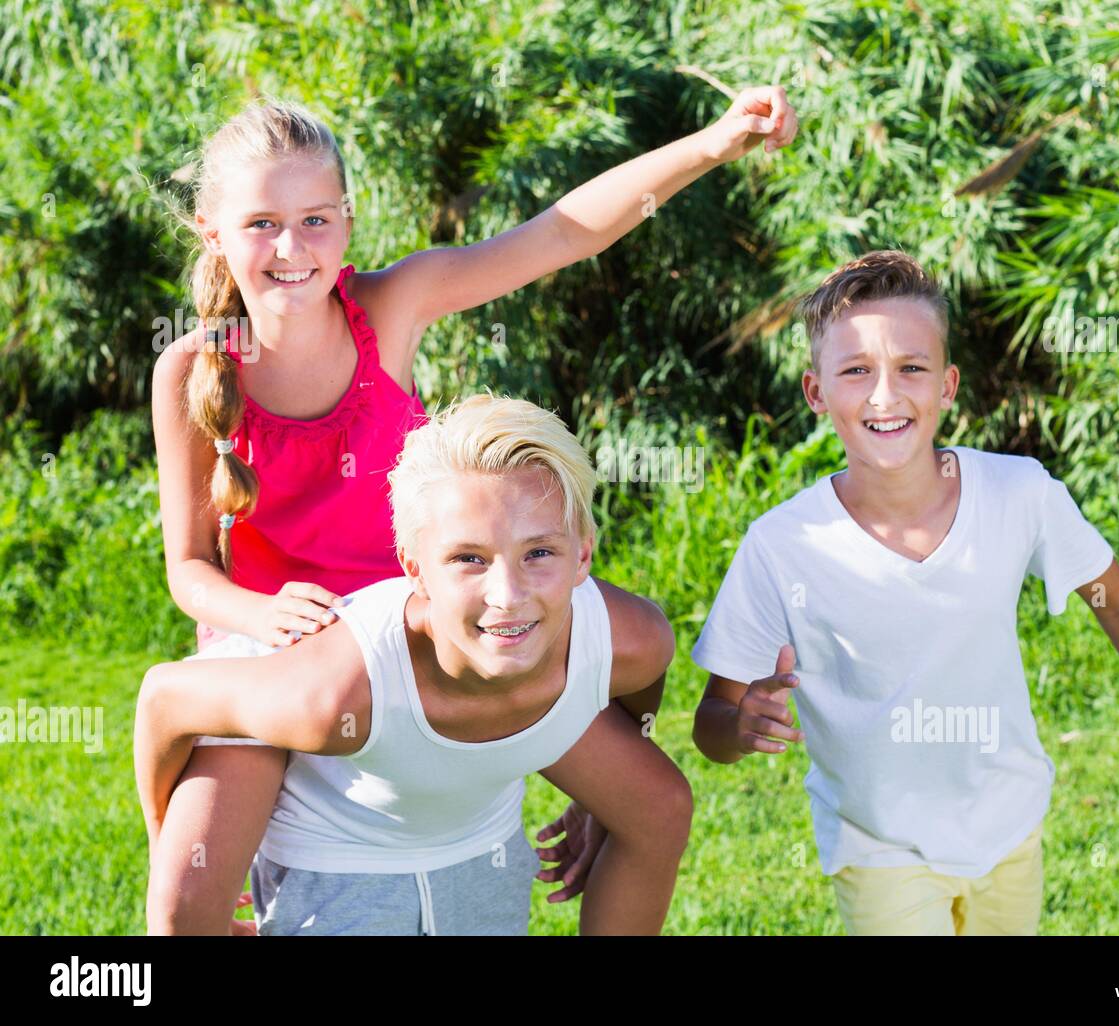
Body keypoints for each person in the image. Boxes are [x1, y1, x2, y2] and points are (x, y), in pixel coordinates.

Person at [150, 90, 795, 933]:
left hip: (429, 620)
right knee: (184, 907)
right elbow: (190, 569)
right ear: (212, 232)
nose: (291, 247)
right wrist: (263, 614)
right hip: (282, 646)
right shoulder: (191, 370)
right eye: (262, 223)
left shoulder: (391, 305)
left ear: (347, 219)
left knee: (652, 791)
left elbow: (563, 231)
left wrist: (712, 144)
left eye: (315, 219)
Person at [690, 250, 1119, 936]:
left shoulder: (1019, 493)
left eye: (910, 368)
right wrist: (739, 729)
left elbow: (1117, 603)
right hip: (876, 845)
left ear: (946, 386)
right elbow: (712, 719)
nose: (885, 395)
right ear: (816, 392)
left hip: (1009, 827)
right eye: (856, 370)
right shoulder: (781, 544)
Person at [138, 394, 689, 935]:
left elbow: (635, 715)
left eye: (539, 552)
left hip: (468, 838)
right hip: (335, 841)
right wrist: (166, 841)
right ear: (415, 570)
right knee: (184, 899)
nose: (508, 594)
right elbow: (165, 696)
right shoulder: (330, 694)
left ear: (583, 556)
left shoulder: (632, 643)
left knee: (661, 805)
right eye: (468, 559)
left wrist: (602, 800)